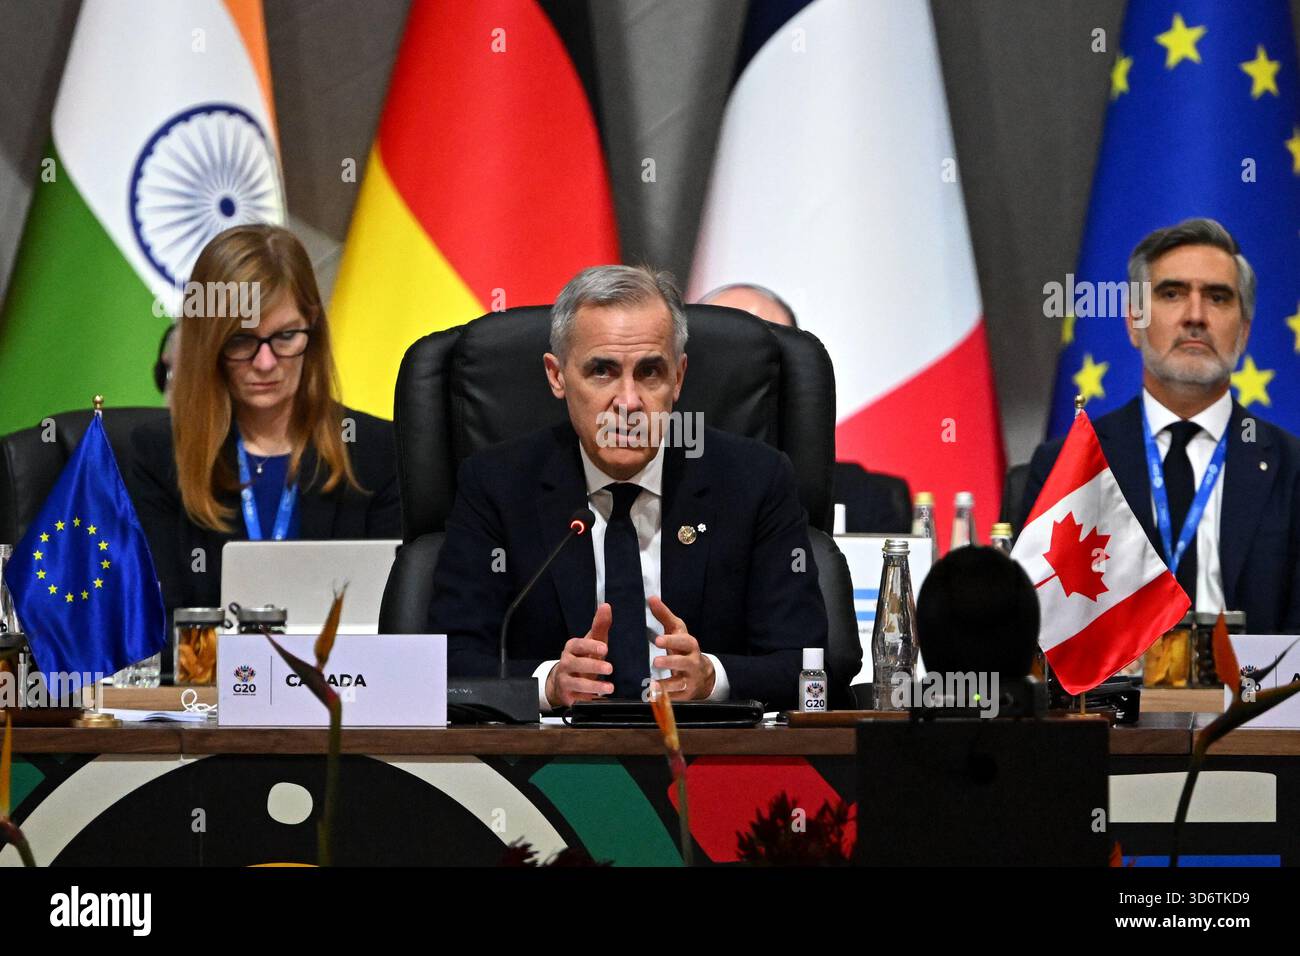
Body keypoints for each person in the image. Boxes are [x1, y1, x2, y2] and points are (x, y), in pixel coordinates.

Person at [428, 265, 827, 710]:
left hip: (706, 757)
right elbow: (446, 664)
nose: (629, 402)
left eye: (650, 372)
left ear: (678, 377)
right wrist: (550, 683)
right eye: (602, 371)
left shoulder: (754, 481)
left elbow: (809, 661)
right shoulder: (498, 486)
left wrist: (712, 676)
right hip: (552, 764)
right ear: (557, 376)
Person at [1018, 218, 1300, 633]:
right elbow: (1043, 629)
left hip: (1257, 693)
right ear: (1134, 323)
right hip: (1111, 697)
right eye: (1172, 294)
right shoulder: (1070, 464)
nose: (1195, 316)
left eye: (1218, 297)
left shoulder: (1292, 469)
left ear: (1243, 331)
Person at [130, 224, 401, 612]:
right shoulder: (158, 454)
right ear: (209, 343)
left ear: (313, 327)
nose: (265, 362)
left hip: (339, 673)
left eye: (286, 336)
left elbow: (396, 626)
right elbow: (159, 623)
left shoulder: (377, 452)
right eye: (241, 340)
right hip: (211, 673)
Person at [701, 281, 911, 531]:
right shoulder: (649, 490)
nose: (739, 372)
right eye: (722, 350)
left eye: (759, 352)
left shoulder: (868, 503)